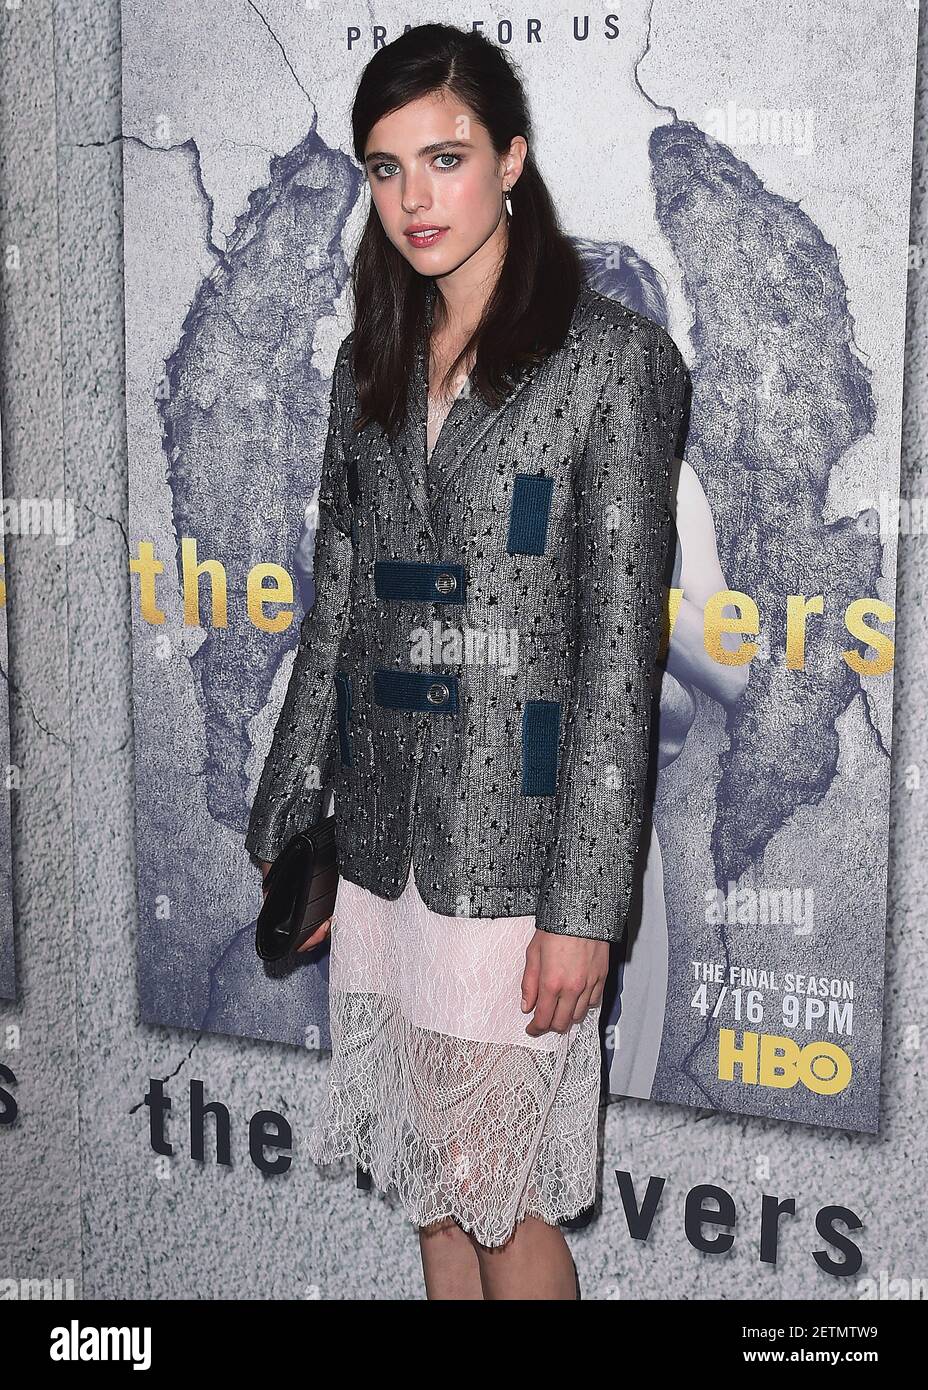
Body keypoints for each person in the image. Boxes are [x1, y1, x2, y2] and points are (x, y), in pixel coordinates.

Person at [245, 22, 690, 1300]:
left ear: (512, 159)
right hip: (386, 850)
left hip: (521, 861)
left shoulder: (613, 363)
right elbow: (335, 605)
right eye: (385, 170)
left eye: (442, 159)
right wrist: (289, 813)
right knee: (431, 1198)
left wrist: (583, 908)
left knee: (505, 1207)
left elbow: (618, 654)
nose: (413, 200)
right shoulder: (365, 365)